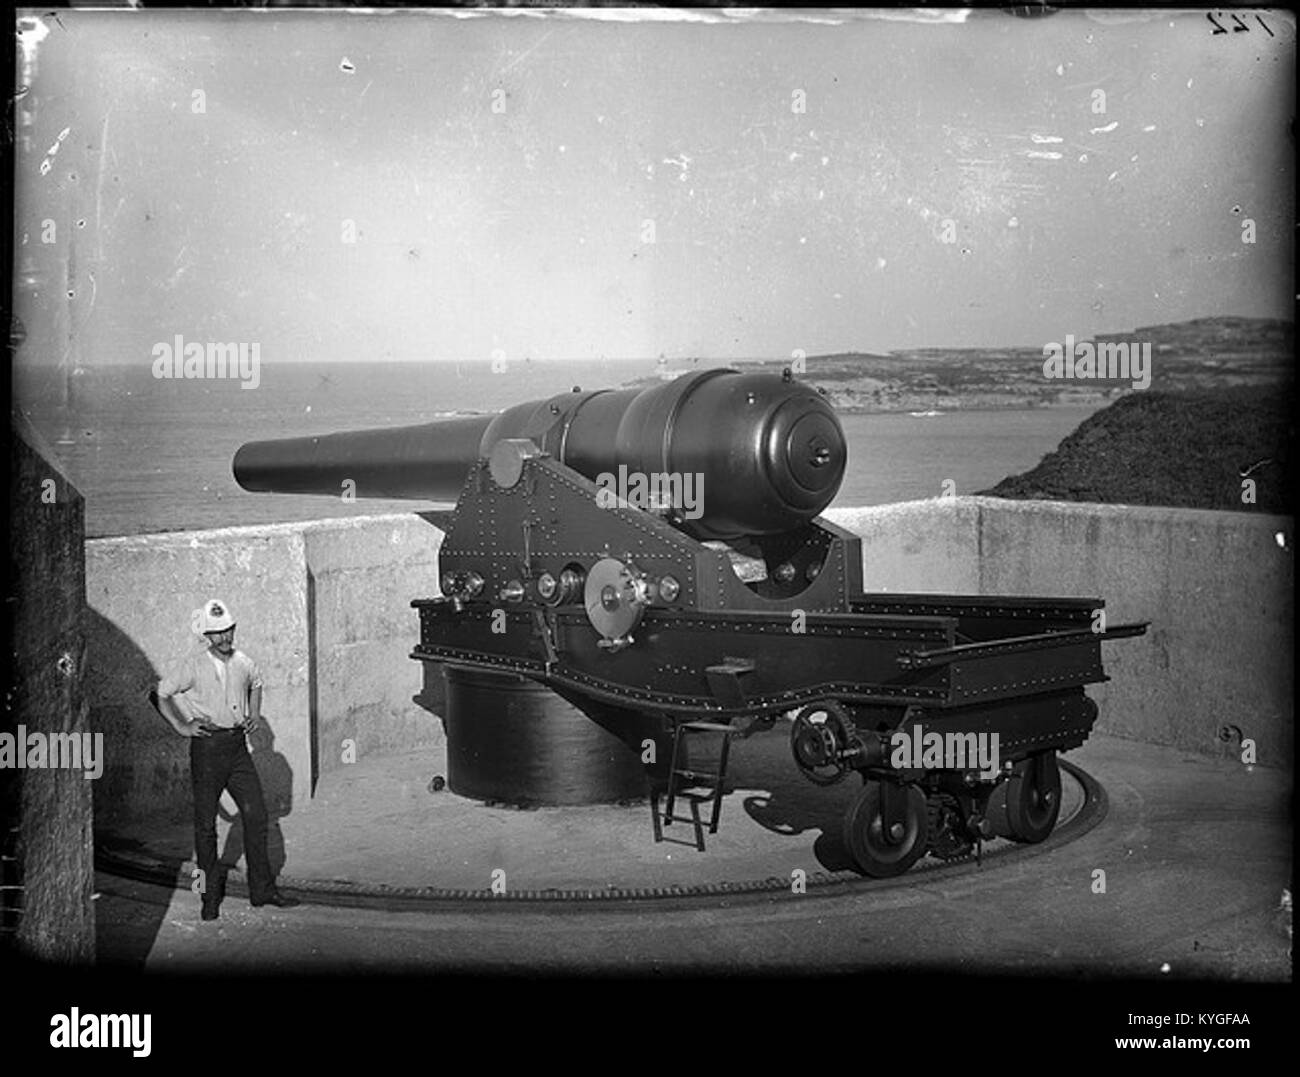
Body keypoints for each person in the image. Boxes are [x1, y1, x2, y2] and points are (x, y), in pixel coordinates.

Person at [156, 599, 299, 920]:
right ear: (207, 635)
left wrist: (255, 714)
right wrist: (182, 725)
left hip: (237, 749)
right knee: (205, 827)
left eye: (228, 630)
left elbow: (257, 684)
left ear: (234, 629)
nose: (224, 638)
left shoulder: (244, 662)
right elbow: (160, 693)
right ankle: (208, 897)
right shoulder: (191, 665)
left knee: (257, 815)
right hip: (207, 749)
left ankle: (262, 891)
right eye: (217, 633)